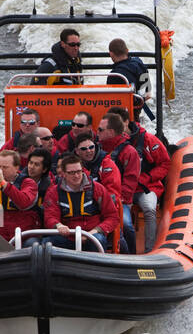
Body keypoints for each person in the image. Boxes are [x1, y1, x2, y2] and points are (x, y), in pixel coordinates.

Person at [106, 106, 168, 252]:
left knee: (149, 209)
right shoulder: (107, 142)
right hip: (119, 189)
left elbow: (165, 163)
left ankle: (149, 249)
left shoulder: (147, 140)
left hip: (144, 187)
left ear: (127, 122)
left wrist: (147, 178)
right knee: (118, 218)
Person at [43, 154, 120, 251]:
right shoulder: (53, 192)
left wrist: (94, 232)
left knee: (98, 240)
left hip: (92, 235)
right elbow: (50, 216)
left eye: (79, 171)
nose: (76, 175)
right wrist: (59, 225)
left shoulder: (98, 189)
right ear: (63, 174)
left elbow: (112, 217)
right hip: (67, 237)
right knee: (46, 244)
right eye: (71, 173)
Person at [96, 111, 140, 253]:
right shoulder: (95, 149)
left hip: (120, 200)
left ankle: (133, 256)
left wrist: (116, 203)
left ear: (111, 132)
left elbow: (130, 183)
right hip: (97, 199)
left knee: (126, 225)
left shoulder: (129, 152)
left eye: (100, 130)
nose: (97, 133)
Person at [0, 150, 38, 243]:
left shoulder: (28, 183)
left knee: (32, 243)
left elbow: (23, 203)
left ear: (16, 168)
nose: (0, 170)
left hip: (23, 234)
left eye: (5, 167)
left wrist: (3, 183)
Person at [71, 129, 122, 197]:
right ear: (77, 151)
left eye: (91, 147)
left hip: (104, 202)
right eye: (84, 149)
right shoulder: (71, 165)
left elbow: (112, 192)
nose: (89, 151)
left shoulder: (106, 163)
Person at [21, 147, 54, 229]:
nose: (31, 167)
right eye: (30, 163)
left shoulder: (50, 188)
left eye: (36, 164)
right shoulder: (17, 181)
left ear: (44, 169)